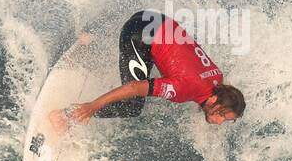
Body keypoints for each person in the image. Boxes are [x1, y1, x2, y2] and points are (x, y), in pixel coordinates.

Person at [55, 10, 245, 129]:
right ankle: (68, 115)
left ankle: (92, 38)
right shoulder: (183, 89)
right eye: (221, 114)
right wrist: (92, 107)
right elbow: (134, 88)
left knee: (147, 64)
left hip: (154, 18)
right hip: (138, 33)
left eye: (224, 119)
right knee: (132, 107)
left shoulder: (217, 78)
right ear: (213, 99)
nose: (219, 122)